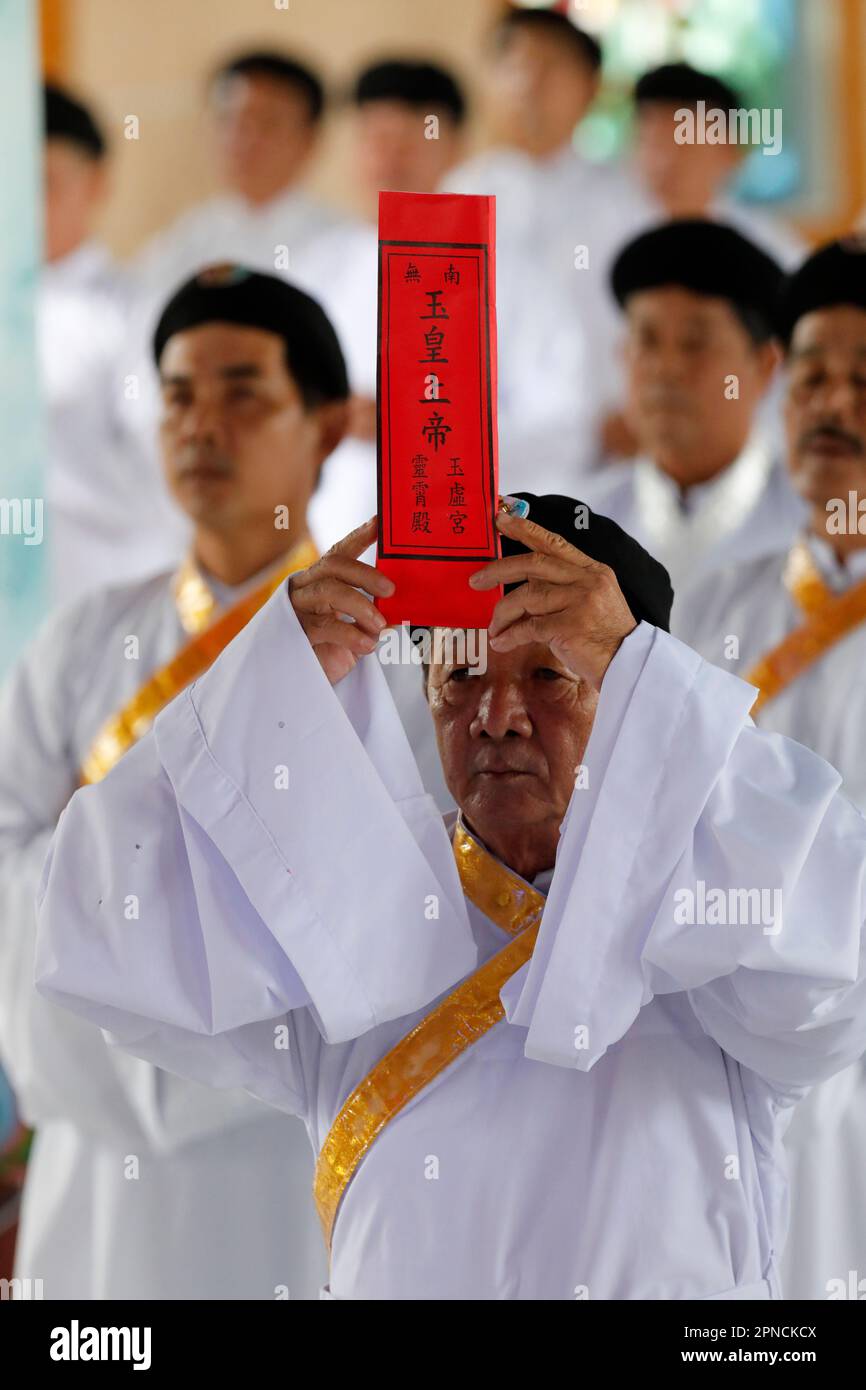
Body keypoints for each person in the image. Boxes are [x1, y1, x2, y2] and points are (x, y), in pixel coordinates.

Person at [34, 489, 866, 1301]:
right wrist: (262, 686)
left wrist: (646, 673)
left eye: (550, 673)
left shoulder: (711, 932)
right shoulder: (355, 902)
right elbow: (97, 927)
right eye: (460, 673)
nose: (496, 714)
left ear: (638, 701)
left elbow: (841, 961)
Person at [0, 266, 358, 1299]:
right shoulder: (83, 641)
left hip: (288, 1154)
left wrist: (113, 867)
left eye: (243, 392)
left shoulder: (384, 652)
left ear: (327, 425)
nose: (202, 425)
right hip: (97, 1159)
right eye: (178, 395)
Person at [675, 238, 866, 1299]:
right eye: (810, 374)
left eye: (861, 379)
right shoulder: (713, 607)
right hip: (723, 1053)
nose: (827, 403)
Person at [444, 7, 655, 463]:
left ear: (591, 88)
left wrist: (638, 409)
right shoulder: (456, 197)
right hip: (482, 449)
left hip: (606, 444)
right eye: (515, 65)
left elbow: (651, 316)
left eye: (551, 66)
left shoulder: (629, 201)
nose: (530, 83)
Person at [581, 219, 805, 621]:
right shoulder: (578, 527)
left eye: (694, 343)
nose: (666, 369)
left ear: (765, 365)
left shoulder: (816, 526)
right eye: (646, 340)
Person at [40, 83, 184, 603]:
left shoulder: (135, 311)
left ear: (95, 181)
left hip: (103, 590)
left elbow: (164, 478)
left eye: (43, 183)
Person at [632, 63, 805, 270]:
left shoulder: (771, 249)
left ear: (731, 151)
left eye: (685, 147)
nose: (665, 163)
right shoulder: (598, 232)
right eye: (655, 144)